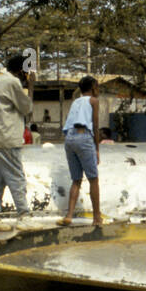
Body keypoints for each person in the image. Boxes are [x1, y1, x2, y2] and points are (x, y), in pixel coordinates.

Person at [0, 54, 37, 232]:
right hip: (6, 137)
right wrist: (31, 88)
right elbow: (27, 108)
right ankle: (24, 216)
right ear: (21, 71)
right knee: (16, 177)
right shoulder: (13, 83)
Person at [59, 76, 104, 227]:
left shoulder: (75, 102)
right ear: (92, 87)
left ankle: (69, 215)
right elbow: (96, 126)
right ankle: (97, 217)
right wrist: (97, 149)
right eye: (97, 86)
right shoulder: (93, 101)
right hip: (83, 136)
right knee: (93, 179)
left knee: (76, 180)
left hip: (69, 138)